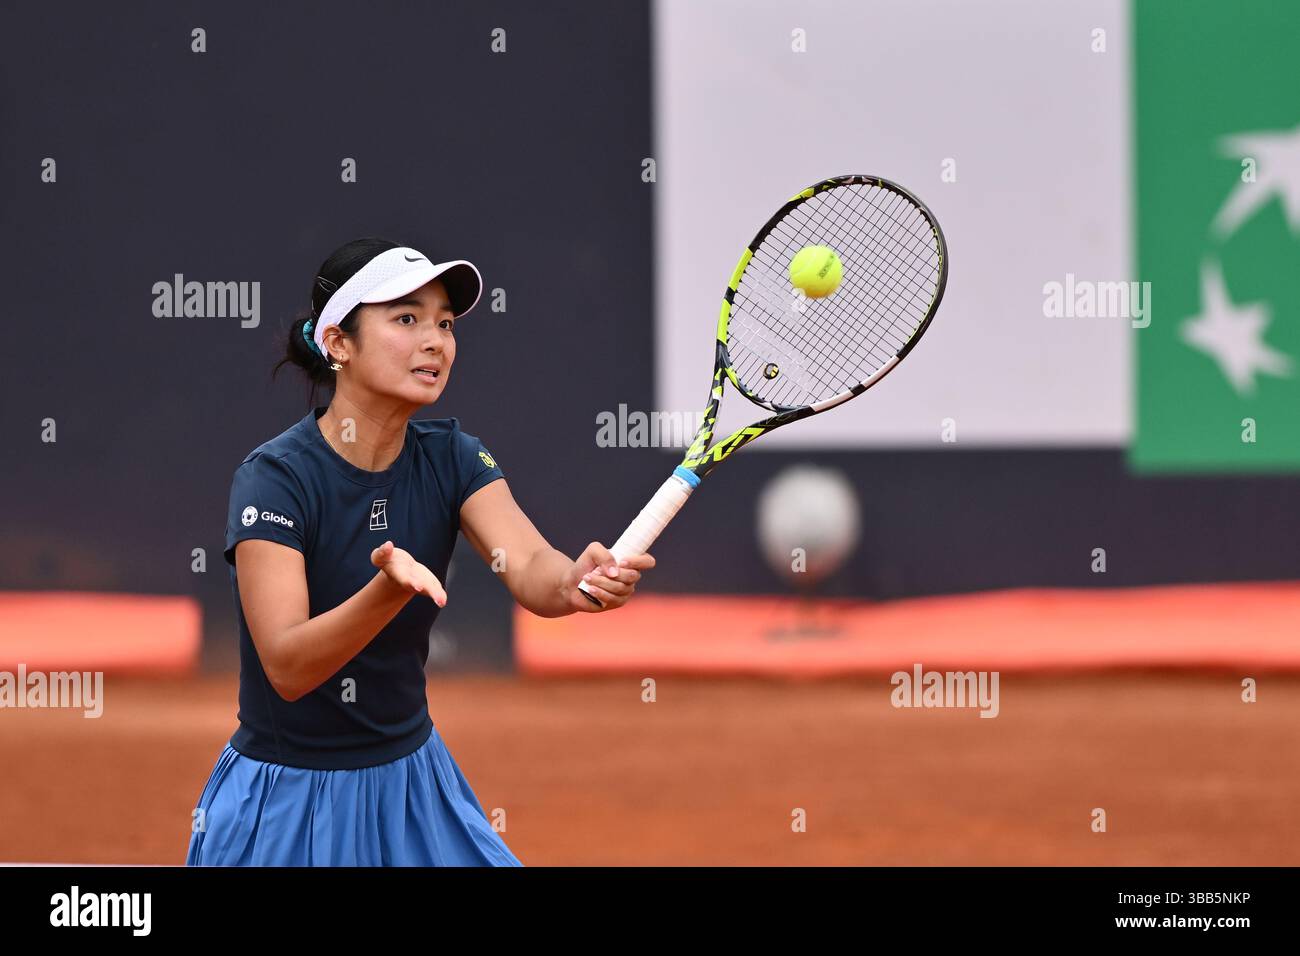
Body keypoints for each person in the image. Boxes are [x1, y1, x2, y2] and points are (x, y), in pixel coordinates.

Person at [185, 236, 655, 866]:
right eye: (406, 319)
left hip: (413, 789)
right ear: (338, 343)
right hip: (288, 800)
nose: (435, 340)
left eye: (444, 323)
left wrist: (575, 581)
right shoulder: (275, 477)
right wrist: (386, 592)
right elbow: (288, 667)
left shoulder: (453, 456)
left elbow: (534, 568)